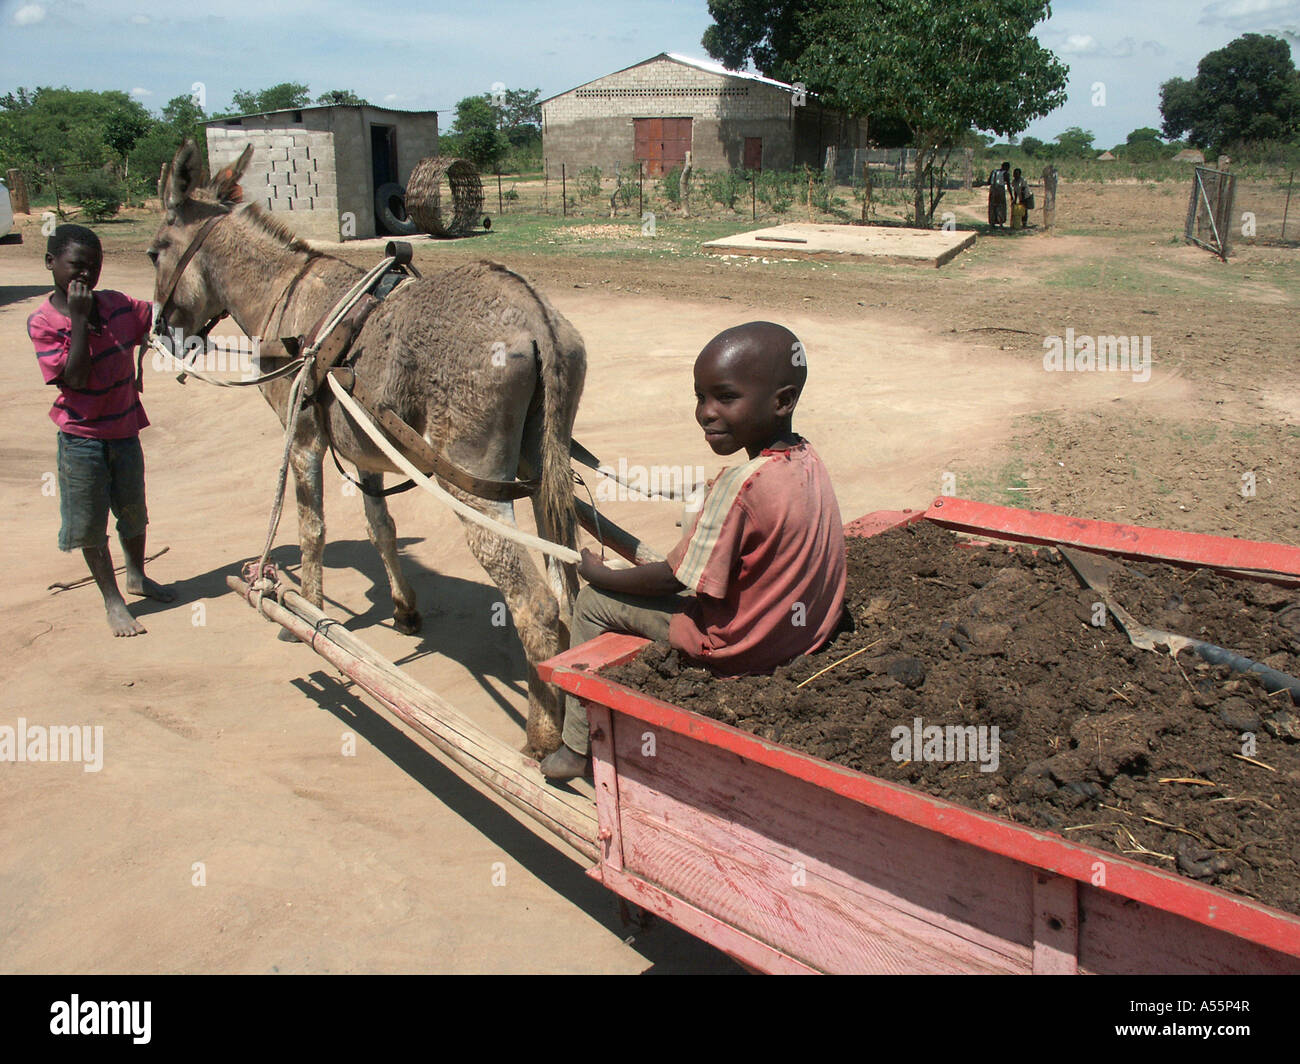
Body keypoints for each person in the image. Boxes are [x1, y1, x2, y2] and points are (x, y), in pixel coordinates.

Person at [540, 321, 847, 781]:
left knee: (592, 604)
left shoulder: (741, 485)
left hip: (738, 647)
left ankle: (575, 747)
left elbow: (672, 578)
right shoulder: (808, 460)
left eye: (725, 397)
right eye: (700, 397)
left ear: (781, 401)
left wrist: (599, 574)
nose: (706, 412)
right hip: (801, 632)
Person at [28, 224, 172, 636]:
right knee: (91, 524)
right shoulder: (43, 321)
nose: (86, 276)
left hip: (125, 429)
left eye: (94, 266)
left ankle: (137, 577)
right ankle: (112, 599)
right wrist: (78, 320)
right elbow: (74, 378)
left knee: (133, 512)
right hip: (82, 440)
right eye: (76, 266)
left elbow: (161, 319)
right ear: (50, 263)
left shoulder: (118, 306)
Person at [987, 161, 1010, 228]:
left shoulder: (993, 171)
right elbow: (1008, 185)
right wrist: (1011, 195)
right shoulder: (1005, 173)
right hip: (1000, 190)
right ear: (1006, 167)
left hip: (992, 189)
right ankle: (1000, 223)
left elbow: (988, 182)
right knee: (1001, 206)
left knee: (992, 206)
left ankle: (992, 222)